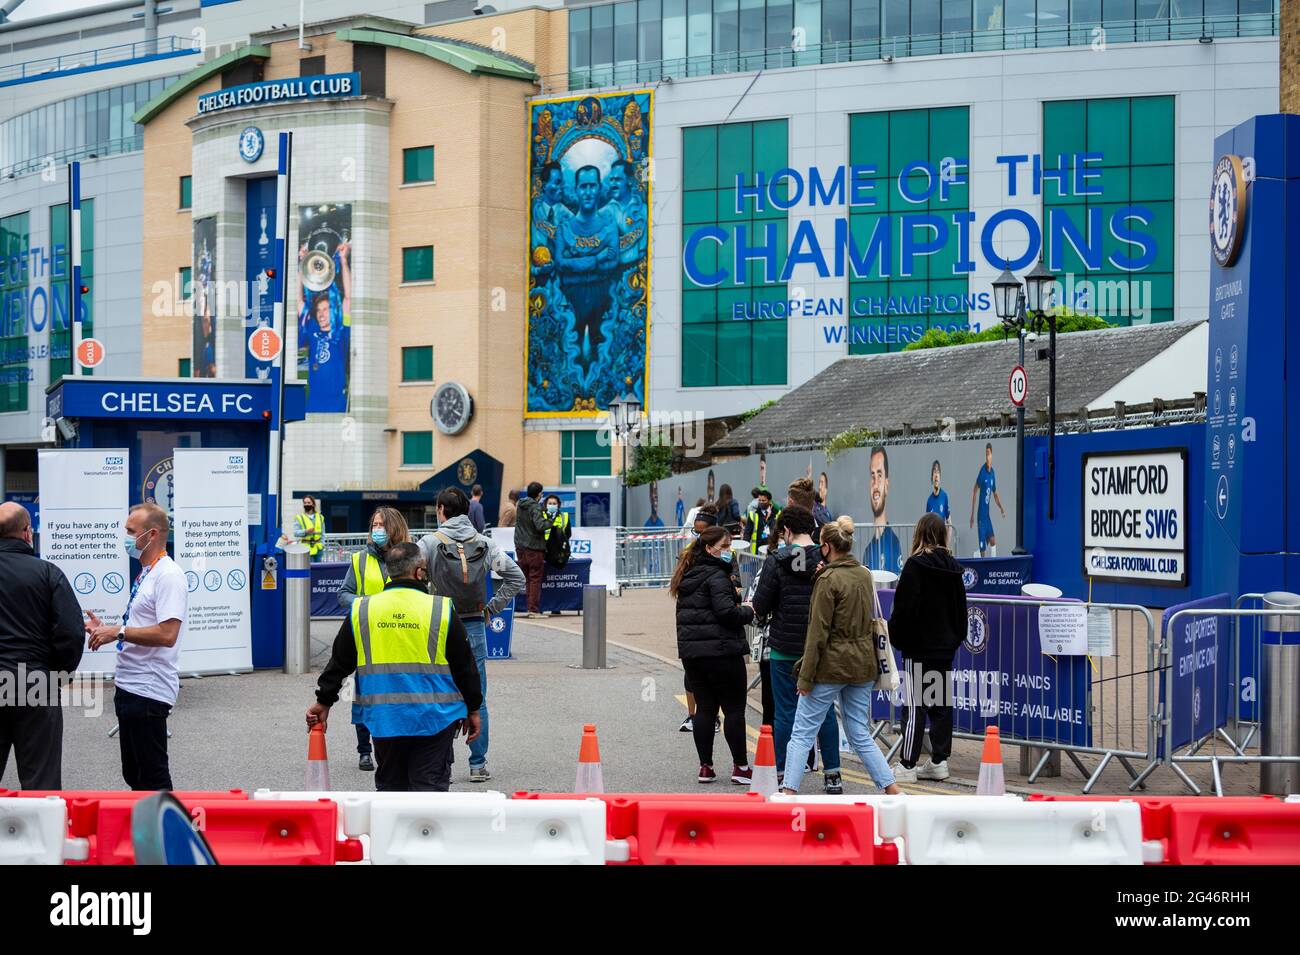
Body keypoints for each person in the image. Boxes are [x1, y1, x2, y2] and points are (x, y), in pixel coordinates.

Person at [307, 543, 482, 792]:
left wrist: (323, 701)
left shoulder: (363, 609)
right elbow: (465, 666)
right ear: (419, 572)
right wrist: (473, 708)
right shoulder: (439, 608)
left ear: (390, 572)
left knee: (391, 790)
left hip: (385, 719)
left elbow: (340, 661)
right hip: (435, 718)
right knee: (429, 793)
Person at [780, 517, 902, 796]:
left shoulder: (827, 580)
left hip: (831, 666)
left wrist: (806, 677)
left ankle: (788, 793)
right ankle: (892, 789)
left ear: (825, 547)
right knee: (859, 732)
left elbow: (817, 634)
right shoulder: (863, 573)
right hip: (862, 664)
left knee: (802, 732)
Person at [418, 488, 523, 783]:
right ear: (466, 510)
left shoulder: (428, 543)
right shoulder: (485, 544)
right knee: (477, 697)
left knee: (438, 692)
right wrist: (492, 609)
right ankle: (478, 763)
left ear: (441, 510)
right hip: (474, 623)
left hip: (438, 623)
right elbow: (517, 577)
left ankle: (441, 763)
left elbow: (410, 575)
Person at [85, 503, 187, 791]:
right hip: (130, 685)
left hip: (149, 689)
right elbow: (141, 623)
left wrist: (118, 632)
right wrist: (106, 629)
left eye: (131, 531)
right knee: (134, 774)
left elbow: (168, 633)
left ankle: (164, 832)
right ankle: (145, 832)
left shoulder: (169, 575)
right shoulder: (147, 572)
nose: (126, 537)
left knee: (152, 777)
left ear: (152, 534)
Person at [750, 505, 843, 793]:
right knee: (824, 711)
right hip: (820, 650)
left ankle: (782, 774)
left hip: (783, 648)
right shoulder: (826, 558)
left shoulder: (776, 559)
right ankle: (833, 775)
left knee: (785, 712)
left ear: (786, 531)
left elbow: (761, 604)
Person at [0, 503, 84, 789]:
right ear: (27, 533)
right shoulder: (48, 574)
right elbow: (71, 634)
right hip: (36, 683)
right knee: (41, 783)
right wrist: (57, 673)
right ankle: (42, 833)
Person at [888, 513, 968, 783]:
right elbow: (961, 612)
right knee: (941, 705)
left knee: (914, 705)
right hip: (944, 649)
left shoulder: (914, 566)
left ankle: (908, 764)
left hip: (918, 647)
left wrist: (897, 637)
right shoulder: (953, 567)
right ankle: (938, 761)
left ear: (919, 533)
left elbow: (904, 609)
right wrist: (955, 638)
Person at [671, 526, 754, 785]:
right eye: (725, 547)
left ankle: (705, 767)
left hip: (693, 655)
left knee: (705, 710)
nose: (729, 551)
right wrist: (749, 611)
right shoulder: (717, 576)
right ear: (710, 549)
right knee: (733, 710)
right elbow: (726, 613)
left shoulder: (687, 576)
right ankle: (740, 767)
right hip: (723, 652)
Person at [337, 507, 410, 772]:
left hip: (400, 633)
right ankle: (364, 750)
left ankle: (394, 742)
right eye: (374, 525)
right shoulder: (359, 560)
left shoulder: (409, 558)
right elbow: (343, 593)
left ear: (394, 528)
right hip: (367, 635)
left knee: (395, 691)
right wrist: (365, 605)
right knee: (363, 694)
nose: (376, 530)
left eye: (381, 525)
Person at [513, 482, 551, 617]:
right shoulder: (535, 507)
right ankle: (533, 609)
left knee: (527, 578)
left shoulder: (520, 505)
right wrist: (550, 521)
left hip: (520, 547)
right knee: (535, 578)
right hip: (534, 547)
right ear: (538, 494)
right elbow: (540, 526)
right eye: (541, 493)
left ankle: (528, 608)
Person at [863, 446, 902, 574]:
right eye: (872, 475)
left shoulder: (893, 542)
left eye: (879, 475)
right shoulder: (867, 550)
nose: (875, 483)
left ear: (886, 484)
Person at [970, 442, 1006, 557]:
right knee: (983, 551)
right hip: (981, 517)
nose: (987, 457)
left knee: (993, 541)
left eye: (989, 454)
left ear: (992, 455)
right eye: (986, 454)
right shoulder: (983, 472)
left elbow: (995, 493)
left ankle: (991, 563)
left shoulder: (992, 473)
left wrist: (1001, 508)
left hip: (987, 516)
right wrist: (972, 514)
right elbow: (974, 490)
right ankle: (979, 557)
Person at [741, 487, 780, 554]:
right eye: (759, 500)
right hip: (757, 549)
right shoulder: (753, 514)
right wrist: (745, 548)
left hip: (772, 549)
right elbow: (747, 533)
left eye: (763, 500)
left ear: (769, 501)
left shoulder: (777, 513)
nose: (761, 502)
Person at [543, 493, 572, 577]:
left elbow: (568, 534)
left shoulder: (565, 516)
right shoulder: (540, 515)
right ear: (546, 505)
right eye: (550, 503)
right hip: (543, 550)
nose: (552, 505)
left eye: (554, 503)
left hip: (557, 551)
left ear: (558, 505)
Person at [925, 460, 954, 545]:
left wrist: (946, 546)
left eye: (938, 472)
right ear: (931, 477)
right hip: (932, 546)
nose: (936, 475)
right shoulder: (929, 501)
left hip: (942, 544)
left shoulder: (944, 496)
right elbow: (926, 528)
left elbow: (950, 524)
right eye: (934, 472)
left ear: (940, 477)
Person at [291, 495, 325, 562]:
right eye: (305, 503)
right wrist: (306, 531)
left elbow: (323, 533)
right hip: (306, 548)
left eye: (309, 503)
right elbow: (295, 533)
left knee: (319, 569)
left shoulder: (320, 517)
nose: (306, 504)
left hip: (318, 548)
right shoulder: (299, 517)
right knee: (309, 570)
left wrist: (322, 544)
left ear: (313, 504)